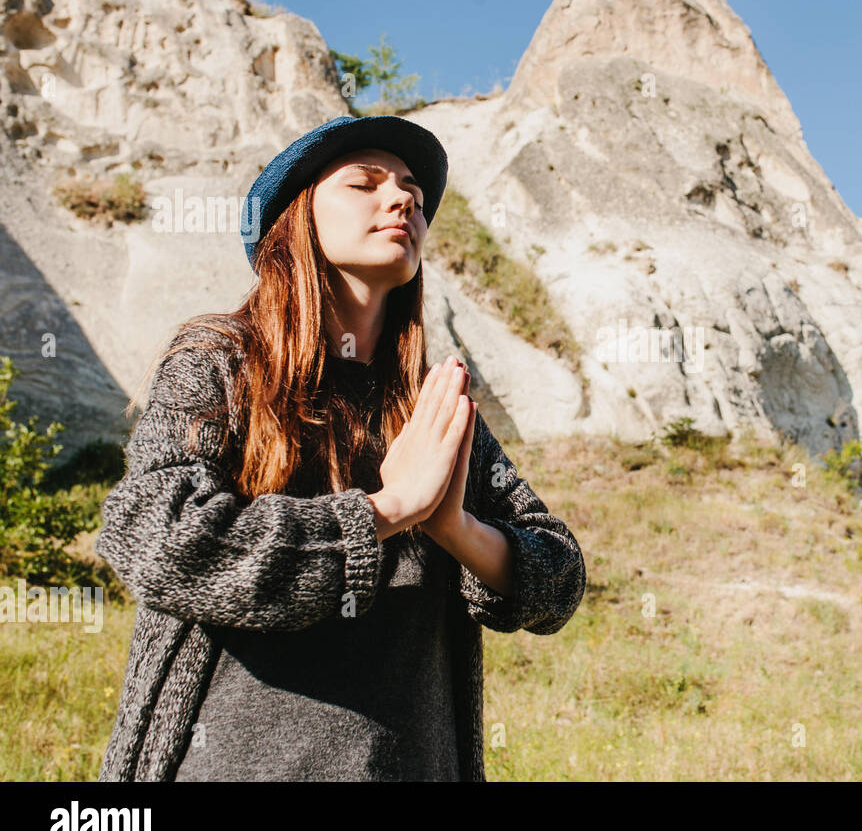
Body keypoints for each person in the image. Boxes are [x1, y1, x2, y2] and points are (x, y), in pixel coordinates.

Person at [95, 115, 585, 781]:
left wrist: (454, 527)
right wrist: (386, 510)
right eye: (364, 183)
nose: (403, 199)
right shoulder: (219, 363)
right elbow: (151, 535)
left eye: (412, 190)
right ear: (295, 221)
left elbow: (558, 577)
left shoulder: (434, 404)